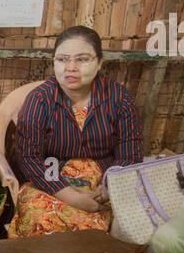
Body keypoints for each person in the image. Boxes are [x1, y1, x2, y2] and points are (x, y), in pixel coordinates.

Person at [7, 25, 143, 237]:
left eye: (82, 59)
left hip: (103, 181)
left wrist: (107, 188)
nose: (71, 68)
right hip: (48, 180)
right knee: (42, 218)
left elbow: (130, 153)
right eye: (62, 59)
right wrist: (69, 196)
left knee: (131, 222)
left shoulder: (119, 98)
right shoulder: (40, 99)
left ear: (99, 63)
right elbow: (29, 158)